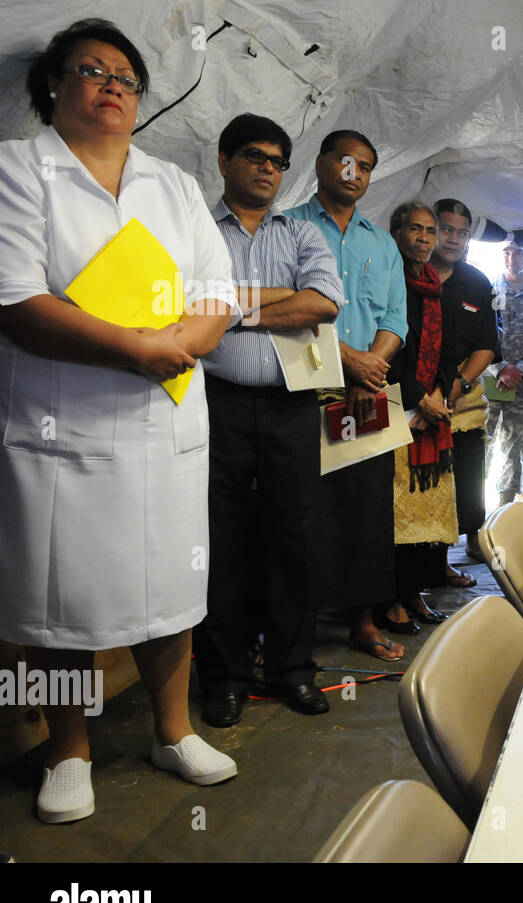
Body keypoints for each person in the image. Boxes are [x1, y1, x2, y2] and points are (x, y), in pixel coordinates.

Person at [0, 19, 238, 823]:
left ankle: (173, 731)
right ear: (54, 87)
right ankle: (69, 750)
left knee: (172, 584)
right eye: (91, 70)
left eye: (127, 78)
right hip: (61, 425)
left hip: (165, 417)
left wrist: (184, 342)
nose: (112, 85)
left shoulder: (170, 183)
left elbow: (217, 287)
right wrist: (135, 347)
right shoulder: (17, 170)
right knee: (55, 594)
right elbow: (18, 303)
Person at [193, 114, 345, 727]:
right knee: (220, 540)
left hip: (289, 404)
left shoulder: (302, 233)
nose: (267, 168)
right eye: (254, 156)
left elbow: (325, 303)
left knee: (294, 537)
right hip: (214, 401)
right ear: (224, 161)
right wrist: (279, 296)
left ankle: (292, 670)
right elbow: (186, 300)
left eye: (279, 161)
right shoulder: (195, 228)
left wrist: (236, 305)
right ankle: (224, 677)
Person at [284, 131, 407, 660]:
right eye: (345, 160)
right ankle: (294, 629)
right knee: (301, 512)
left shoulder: (381, 243)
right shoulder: (286, 227)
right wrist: (348, 364)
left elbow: (395, 318)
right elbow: (287, 311)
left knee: (367, 508)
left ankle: (363, 622)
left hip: (368, 395)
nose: (353, 172)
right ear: (321, 163)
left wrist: (368, 371)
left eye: (365, 165)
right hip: (302, 391)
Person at [383, 202, 470, 644]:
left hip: (429, 409)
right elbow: (386, 348)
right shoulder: (388, 277)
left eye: (429, 231)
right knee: (397, 513)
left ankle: (413, 592)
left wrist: (437, 393)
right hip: (394, 407)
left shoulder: (435, 283)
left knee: (423, 512)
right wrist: (417, 400)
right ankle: (391, 599)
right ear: (396, 233)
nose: (424, 238)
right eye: (414, 229)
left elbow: (447, 348)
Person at [422, 199, 497, 562]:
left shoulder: (477, 282)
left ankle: (465, 543)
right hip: (415, 396)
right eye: (446, 229)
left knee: (465, 481)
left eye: (461, 233)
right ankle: (428, 564)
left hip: (462, 400)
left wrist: (460, 384)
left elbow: (487, 345)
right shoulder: (409, 274)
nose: (453, 239)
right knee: (424, 486)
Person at [487, 241, 523, 505]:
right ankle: (472, 515)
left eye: (518, 253)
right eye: (506, 253)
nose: (512, 258)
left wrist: (519, 370)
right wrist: (500, 369)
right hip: (490, 379)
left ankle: (505, 508)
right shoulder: (487, 289)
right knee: (481, 446)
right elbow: (479, 335)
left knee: (516, 446)